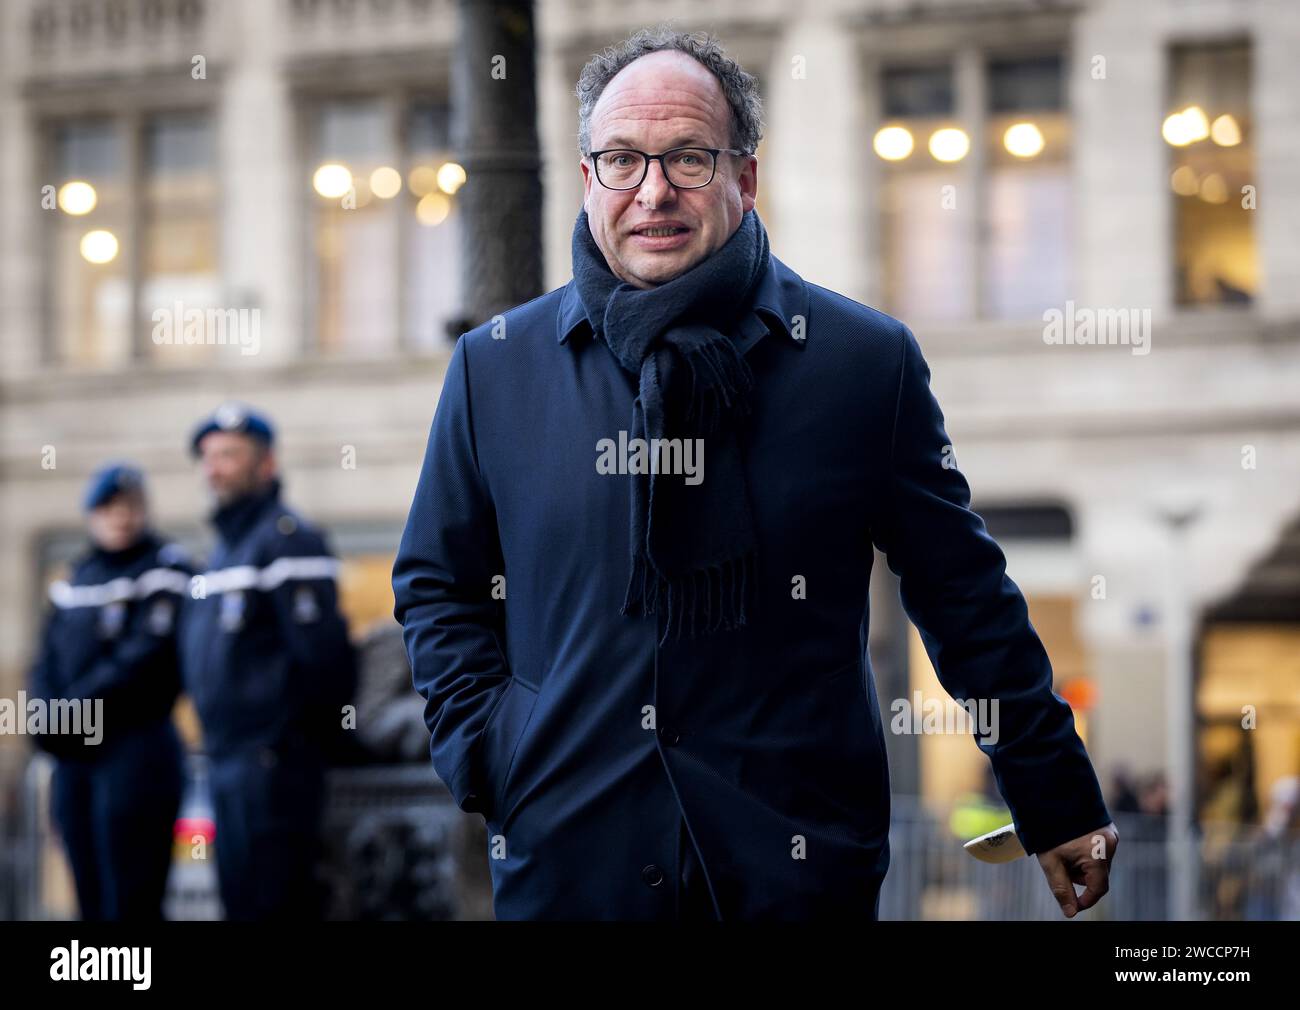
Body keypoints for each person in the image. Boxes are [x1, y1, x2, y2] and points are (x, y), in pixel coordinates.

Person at [392, 26, 1118, 921]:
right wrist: (491, 749)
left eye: (689, 159)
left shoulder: (862, 363)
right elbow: (436, 585)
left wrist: (1056, 795)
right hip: (571, 865)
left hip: (793, 871)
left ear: (745, 176)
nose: (653, 191)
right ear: (588, 180)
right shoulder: (494, 368)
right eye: (622, 160)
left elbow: (964, 595)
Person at [180, 402, 356, 920]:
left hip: (273, 764)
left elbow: (323, 658)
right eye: (209, 457)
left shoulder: (285, 538)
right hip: (226, 759)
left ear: (266, 464)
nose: (215, 469)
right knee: (241, 903)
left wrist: (289, 740)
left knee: (274, 903)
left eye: (230, 455)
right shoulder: (223, 552)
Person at [27, 463, 190, 920]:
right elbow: (44, 663)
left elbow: (140, 662)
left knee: (132, 896)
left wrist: (70, 714)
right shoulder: (73, 581)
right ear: (91, 515)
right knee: (89, 894)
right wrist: (43, 720)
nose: (121, 517)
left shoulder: (166, 569)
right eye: (109, 508)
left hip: (136, 751)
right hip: (76, 758)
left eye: (131, 506)